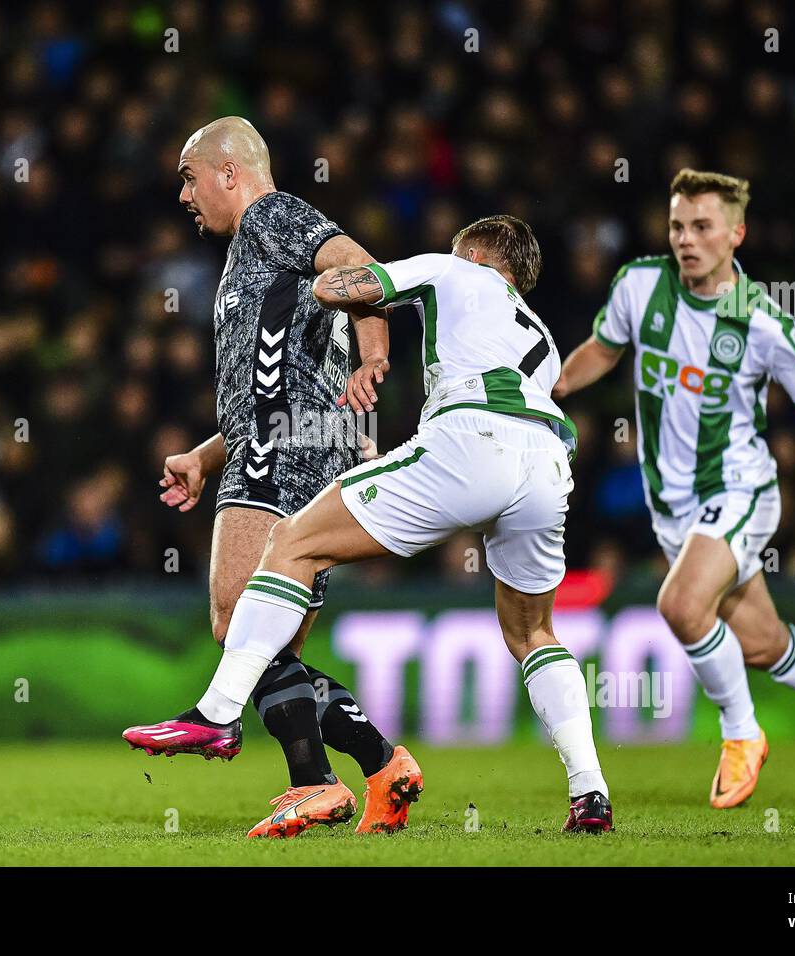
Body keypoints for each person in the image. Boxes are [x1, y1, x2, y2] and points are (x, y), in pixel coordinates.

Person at [127, 215, 614, 834]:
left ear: (477, 253)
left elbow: (344, 286)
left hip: (470, 440)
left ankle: (218, 711)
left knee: (293, 543)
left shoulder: (452, 267)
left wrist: (303, 293)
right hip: (547, 465)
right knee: (534, 633)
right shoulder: (537, 330)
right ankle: (590, 791)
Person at [554, 169, 795, 808]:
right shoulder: (640, 285)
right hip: (672, 508)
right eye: (677, 226)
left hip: (740, 490)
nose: (686, 240)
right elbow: (603, 351)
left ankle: (742, 734)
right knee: (764, 645)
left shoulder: (763, 321)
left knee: (680, 605)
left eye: (702, 227)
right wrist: (554, 386)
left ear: (736, 234)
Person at [124, 117, 422, 839]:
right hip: (287, 444)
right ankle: (376, 768)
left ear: (231, 171)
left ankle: (315, 779)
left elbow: (365, 271)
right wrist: (203, 455)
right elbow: (272, 384)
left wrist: (373, 354)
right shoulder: (254, 257)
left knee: (233, 619)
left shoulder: (271, 216)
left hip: (281, 455)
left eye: (190, 178)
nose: (186, 197)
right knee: (269, 644)